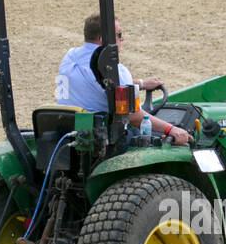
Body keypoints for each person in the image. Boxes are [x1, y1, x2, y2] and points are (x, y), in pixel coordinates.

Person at [56, 14, 192, 146]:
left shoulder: (69, 57)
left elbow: (98, 83)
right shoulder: (116, 70)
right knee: (171, 141)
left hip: (66, 133)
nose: (122, 39)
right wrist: (171, 129)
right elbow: (133, 116)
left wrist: (141, 83)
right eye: (119, 35)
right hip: (103, 141)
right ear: (104, 38)